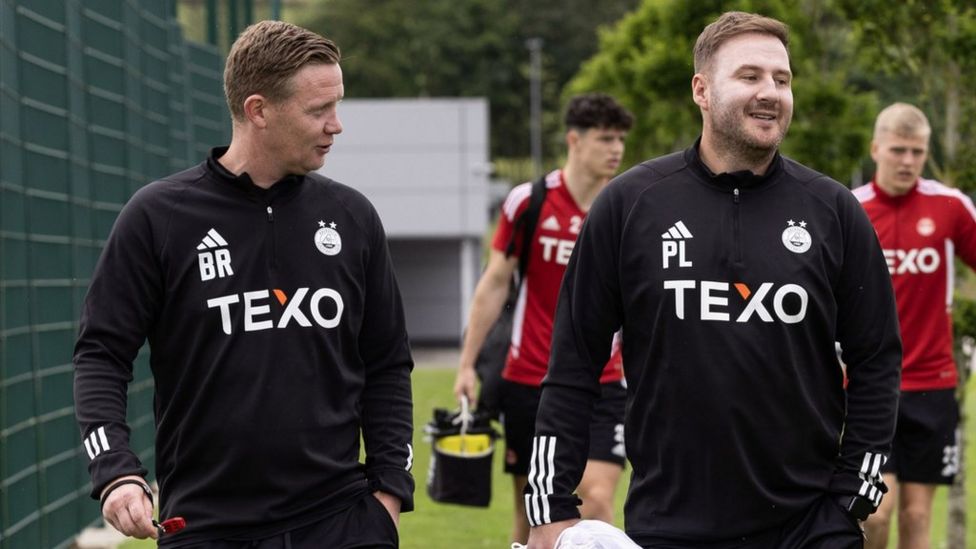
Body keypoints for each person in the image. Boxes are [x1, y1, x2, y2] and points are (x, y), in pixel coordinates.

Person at [524, 11, 902, 549]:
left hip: (810, 529)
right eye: (749, 76)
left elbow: (877, 358)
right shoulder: (631, 205)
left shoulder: (832, 210)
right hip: (669, 525)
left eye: (782, 79)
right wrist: (549, 507)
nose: (770, 91)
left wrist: (851, 500)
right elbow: (572, 363)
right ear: (701, 89)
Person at [73, 21, 413, 548]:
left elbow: (388, 362)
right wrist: (115, 471)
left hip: (342, 520)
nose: (336, 125)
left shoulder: (351, 216)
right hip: (207, 526)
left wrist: (388, 492)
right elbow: (100, 355)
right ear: (258, 110)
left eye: (337, 105)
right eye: (318, 110)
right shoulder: (159, 217)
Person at [453, 93, 633, 544]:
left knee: (594, 496)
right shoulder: (528, 202)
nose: (616, 149)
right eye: (605, 139)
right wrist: (466, 364)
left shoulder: (626, 208)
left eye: (621, 140)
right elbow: (495, 283)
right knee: (534, 516)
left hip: (606, 380)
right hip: (529, 379)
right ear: (574, 140)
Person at [854, 103, 974, 549]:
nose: (907, 161)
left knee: (918, 516)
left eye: (917, 152)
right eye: (898, 150)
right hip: (867, 386)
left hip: (933, 385)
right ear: (876, 148)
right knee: (876, 513)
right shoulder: (850, 209)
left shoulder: (949, 206)